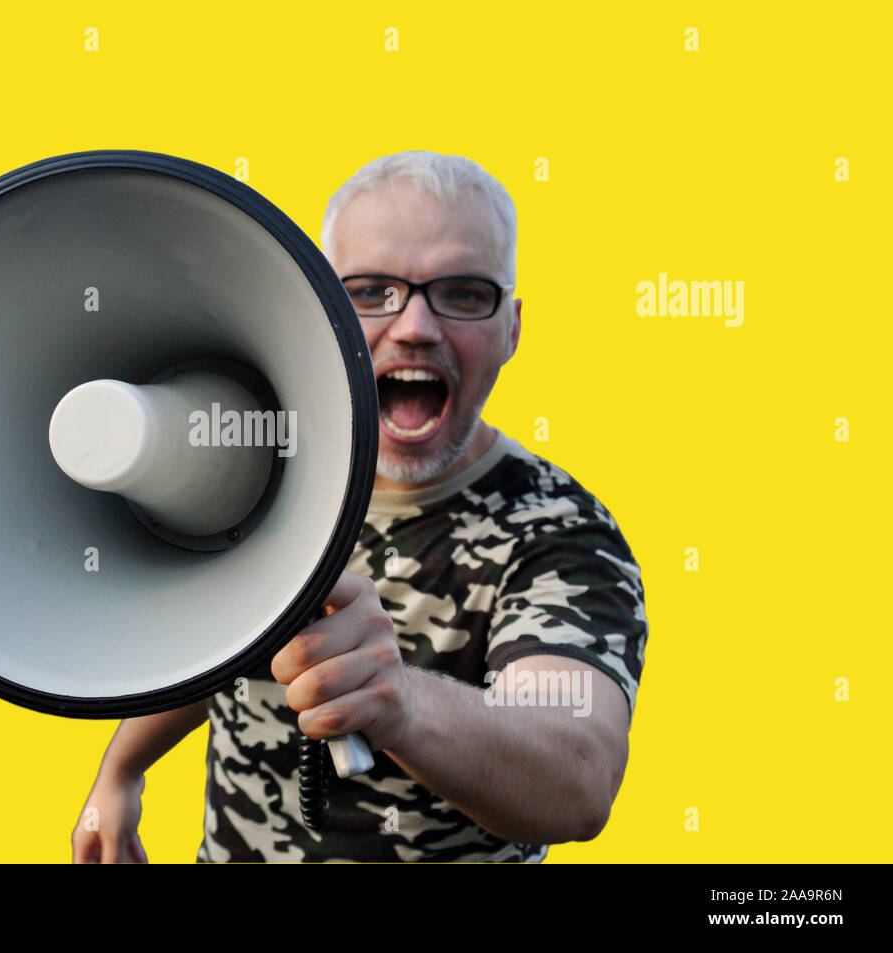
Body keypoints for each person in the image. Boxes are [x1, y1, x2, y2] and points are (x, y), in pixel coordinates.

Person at [71, 151, 648, 863]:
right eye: (371, 291)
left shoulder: (559, 531)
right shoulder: (247, 472)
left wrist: (399, 701)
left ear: (513, 329)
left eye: (464, 293)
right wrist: (121, 769)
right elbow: (208, 640)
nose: (413, 327)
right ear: (321, 312)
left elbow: (578, 775)